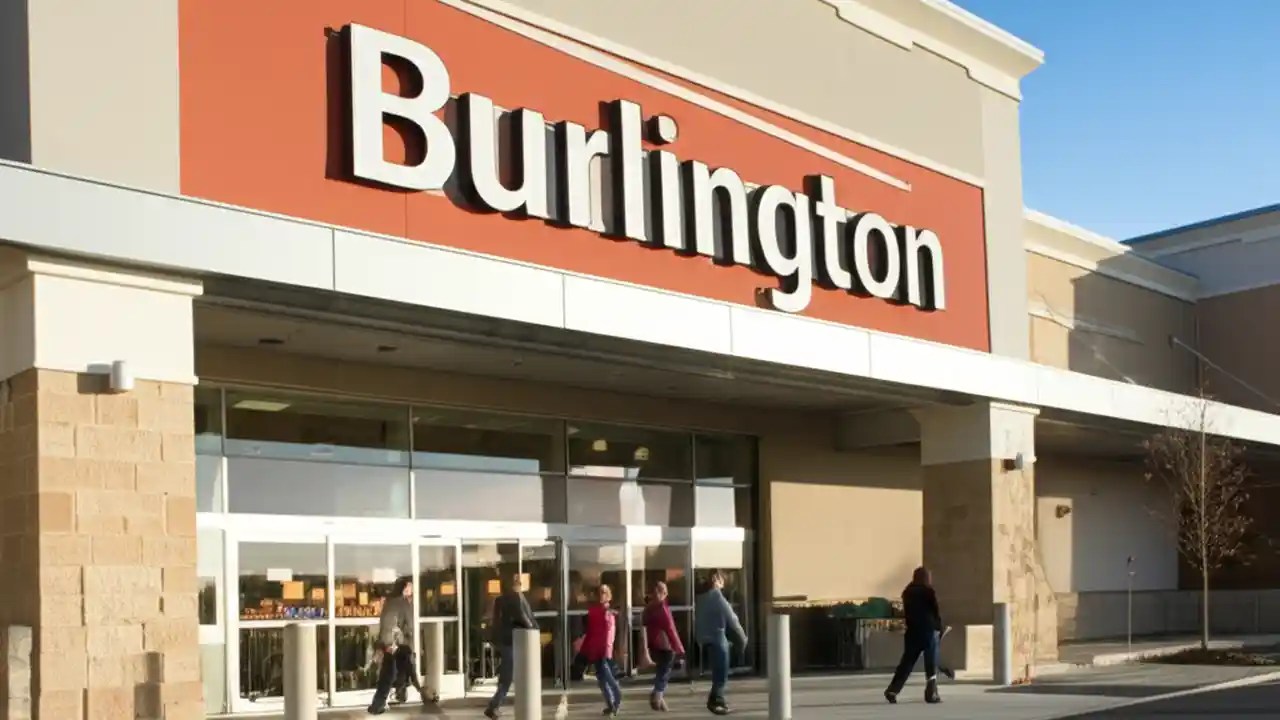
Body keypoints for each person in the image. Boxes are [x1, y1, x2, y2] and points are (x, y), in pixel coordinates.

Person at [884, 566, 944, 705]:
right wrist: (939, 627)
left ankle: (893, 690)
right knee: (931, 662)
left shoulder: (907, 592)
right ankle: (931, 693)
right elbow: (935, 611)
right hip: (928, 630)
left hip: (912, 631)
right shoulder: (928, 591)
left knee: (907, 662)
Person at [485, 571, 538, 720]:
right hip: (513, 641)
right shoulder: (514, 598)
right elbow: (522, 616)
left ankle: (495, 704)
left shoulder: (500, 599)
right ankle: (494, 705)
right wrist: (533, 630)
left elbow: (497, 621)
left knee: (508, 674)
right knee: (508, 676)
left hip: (505, 640)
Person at [693, 571, 746, 716]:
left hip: (705, 637)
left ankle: (716, 699)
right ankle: (717, 700)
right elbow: (731, 618)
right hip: (717, 637)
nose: (724, 583)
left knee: (718, 670)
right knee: (721, 671)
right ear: (717, 579)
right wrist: (742, 639)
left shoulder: (701, 596)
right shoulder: (716, 595)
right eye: (722, 579)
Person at [368, 577, 421, 715]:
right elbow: (409, 624)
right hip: (397, 644)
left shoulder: (390, 602)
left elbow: (386, 624)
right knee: (401, 672)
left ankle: (389, 698)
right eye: (410, 586)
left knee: (394, 672)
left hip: (391, 643)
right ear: (404, 588)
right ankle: (420, 693)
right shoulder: (402, 603)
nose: (412, 589)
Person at [644, 581, 685, 712]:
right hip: (666, 646)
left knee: (661, 671)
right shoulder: (663, 609)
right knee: (664, 672)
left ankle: (660, 701)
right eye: (662, 591)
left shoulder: (648, 608)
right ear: (664, 594)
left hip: (654, 645)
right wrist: (680, 649)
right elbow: (671, 630)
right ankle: (657, 695)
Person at [581, 584, 622, 716]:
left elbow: (610, 635)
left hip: (604, 651)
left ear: (609, 596)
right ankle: (610, 704)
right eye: (599, 592)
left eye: (604, 593)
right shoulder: (593, 612)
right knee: (601, 680)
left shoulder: (608, 614)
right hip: (595, 650)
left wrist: (607, 650)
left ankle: (617, 698)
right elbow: (590, 632)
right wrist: (585, 649)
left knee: (608, 677)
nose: (601, 595)